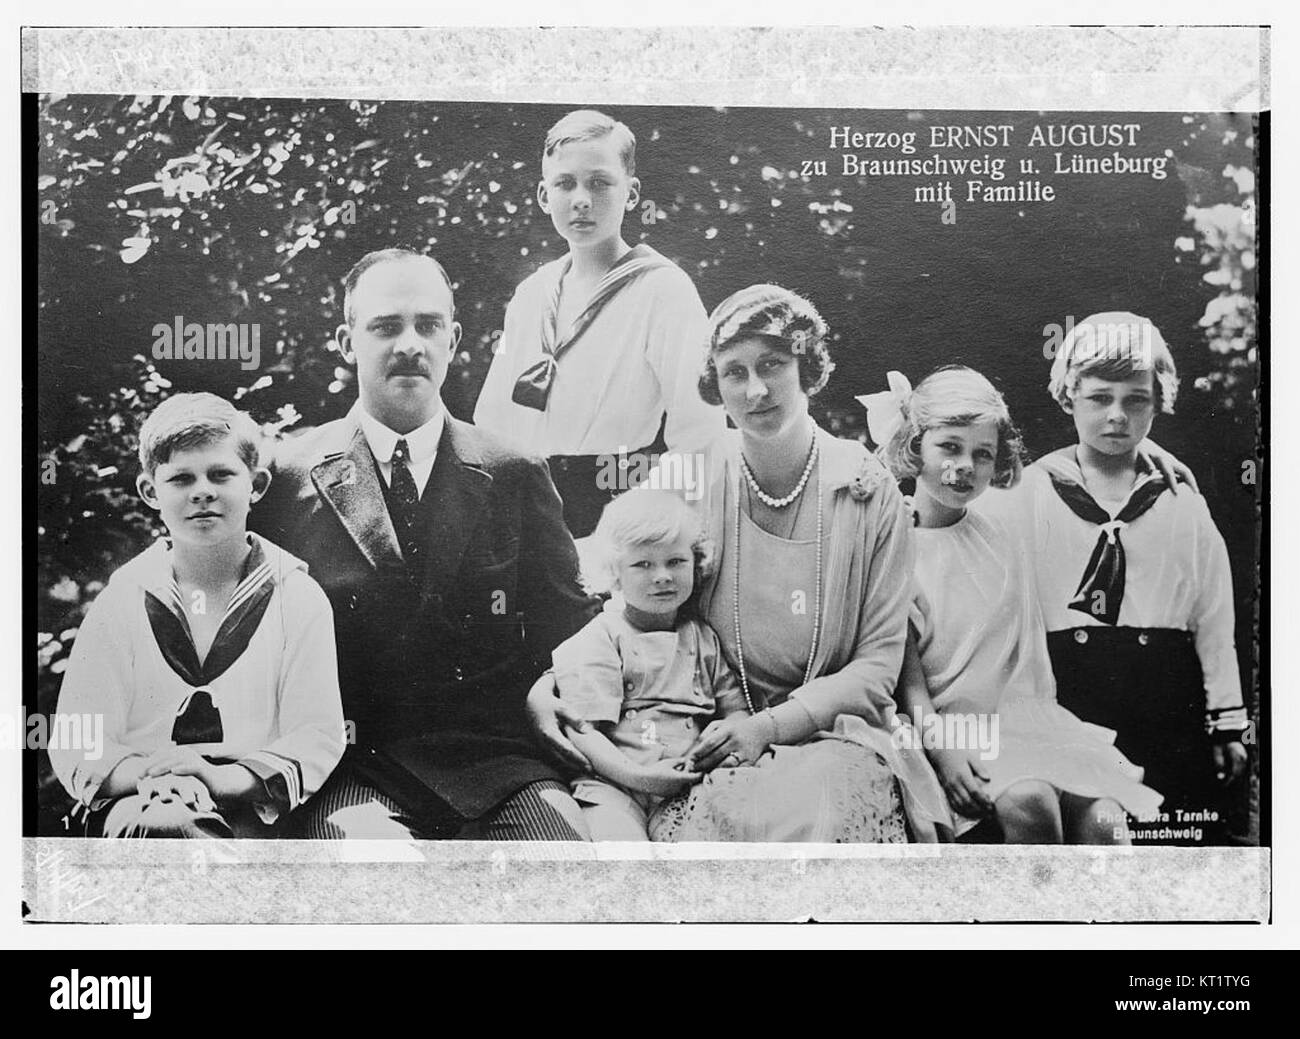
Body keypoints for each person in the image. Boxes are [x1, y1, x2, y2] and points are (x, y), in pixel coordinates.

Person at [531, 284, 951, 842]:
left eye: (772, 364)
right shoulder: (694, 473)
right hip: (708, 733)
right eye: (734, 372)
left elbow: (877, 667)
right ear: (716, 386)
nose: (755, 390)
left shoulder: (867, 490)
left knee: (812, 814)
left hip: (838, 731)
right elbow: (606, 559)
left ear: (807, 366)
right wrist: (547, 683)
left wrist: (770, 727)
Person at [255, 248, 600, 841]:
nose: (409, 343)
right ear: (346, 342)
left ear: (454, 338)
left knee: (559, 874)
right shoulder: (287, 478)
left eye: (428, 325)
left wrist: (555, 693)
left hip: (499, 766)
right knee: (377, 885)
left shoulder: (514, 469)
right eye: (386, 326)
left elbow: (569, 631)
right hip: (348, 770)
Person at [988, 314, 1247, 845]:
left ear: (1158, 402)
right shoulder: (1030, 495)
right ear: (1068, 399)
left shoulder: (1181, 502)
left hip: (1168, 699)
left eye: (1136, 401)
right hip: (1070, 694)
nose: (1117, 416)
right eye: (1099, 398)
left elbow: (1214, 615)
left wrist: (1226, 721)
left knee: (1170, 845)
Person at [875, 366, 1162, 843]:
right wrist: (944, 753)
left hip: (1029, 722)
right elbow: (911, 690)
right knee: (1030, 802)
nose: (965, 465)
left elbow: (1086, 465)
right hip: (955, 731)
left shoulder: (1002, 526)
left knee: (1105, 818)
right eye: (949, 446)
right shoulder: (895, 551)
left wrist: (1151, 455)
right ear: (914, 447)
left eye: (982, 453)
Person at [50, 393, 346, 838]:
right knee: (168, 827)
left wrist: (217, 777)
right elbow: (78, 737)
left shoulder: (297, 597)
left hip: (249, 800)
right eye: (181, 479)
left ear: (256, 485)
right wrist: (158, 776)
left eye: (221, 474)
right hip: (138, 801)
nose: (202, 491)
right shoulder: (124, 599)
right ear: (151, 492)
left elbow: (317, 734)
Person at [473, 109, 725, 537]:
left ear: (631, 192)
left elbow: (700, 436)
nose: (581, 199)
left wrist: (642, 526)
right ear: (542, 194)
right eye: (565, 183)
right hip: (526, 509)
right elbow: (492, 423)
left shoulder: (662, 289)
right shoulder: (533, 294)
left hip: (619, 504)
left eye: (599, 182)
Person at [551, 489, 749, 840]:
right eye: (643, 564)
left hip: (690, 783)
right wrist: (640, 778)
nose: (662, 576)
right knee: (624, 857)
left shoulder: (703, 639)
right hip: (614, 786)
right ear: (615, 572)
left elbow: (735, 710)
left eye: (675, 561)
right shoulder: (603, 636)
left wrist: (725, 739)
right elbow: (584, 731)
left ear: (696, 562)